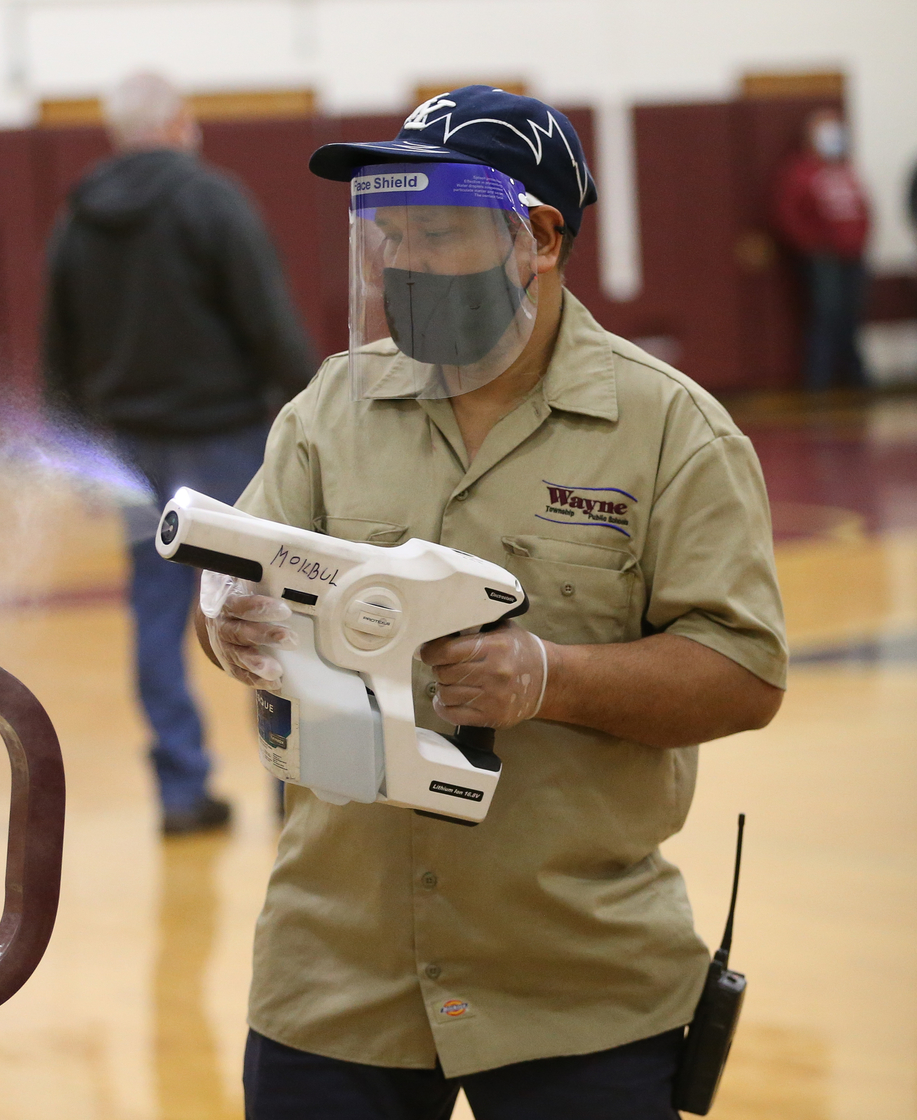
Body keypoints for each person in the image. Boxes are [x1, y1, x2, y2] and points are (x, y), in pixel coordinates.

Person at [196, 86, 787, 1118]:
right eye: (391, 236)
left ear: (538, 239)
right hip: (335, 976)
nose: (405, 263)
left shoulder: (670, 431)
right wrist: (229, 628)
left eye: (439, 234)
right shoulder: (330, 408)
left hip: (580, 983)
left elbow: (744, 674)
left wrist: (549, 677)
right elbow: (233, 591)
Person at [43, 72, 314, 835]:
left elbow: (57, 346)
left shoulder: (78, 219)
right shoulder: (213, 201)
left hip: (132, 454)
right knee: (264, 608)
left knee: (155, 614)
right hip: (226, 439)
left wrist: (75, 447)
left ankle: (180, 791)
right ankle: (289, 784)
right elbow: (267, 320)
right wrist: (316, 407)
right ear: (176, 123)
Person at [773, 108, 872, 390]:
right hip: (822, 257)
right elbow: (787, 215)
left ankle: (856, 377)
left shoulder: (845, 169)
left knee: (852, 315)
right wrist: (813, 244)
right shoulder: (799, 172)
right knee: (825, 315)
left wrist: (859, 240)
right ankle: (819, 380)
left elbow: (863, 209)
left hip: (852, 255)